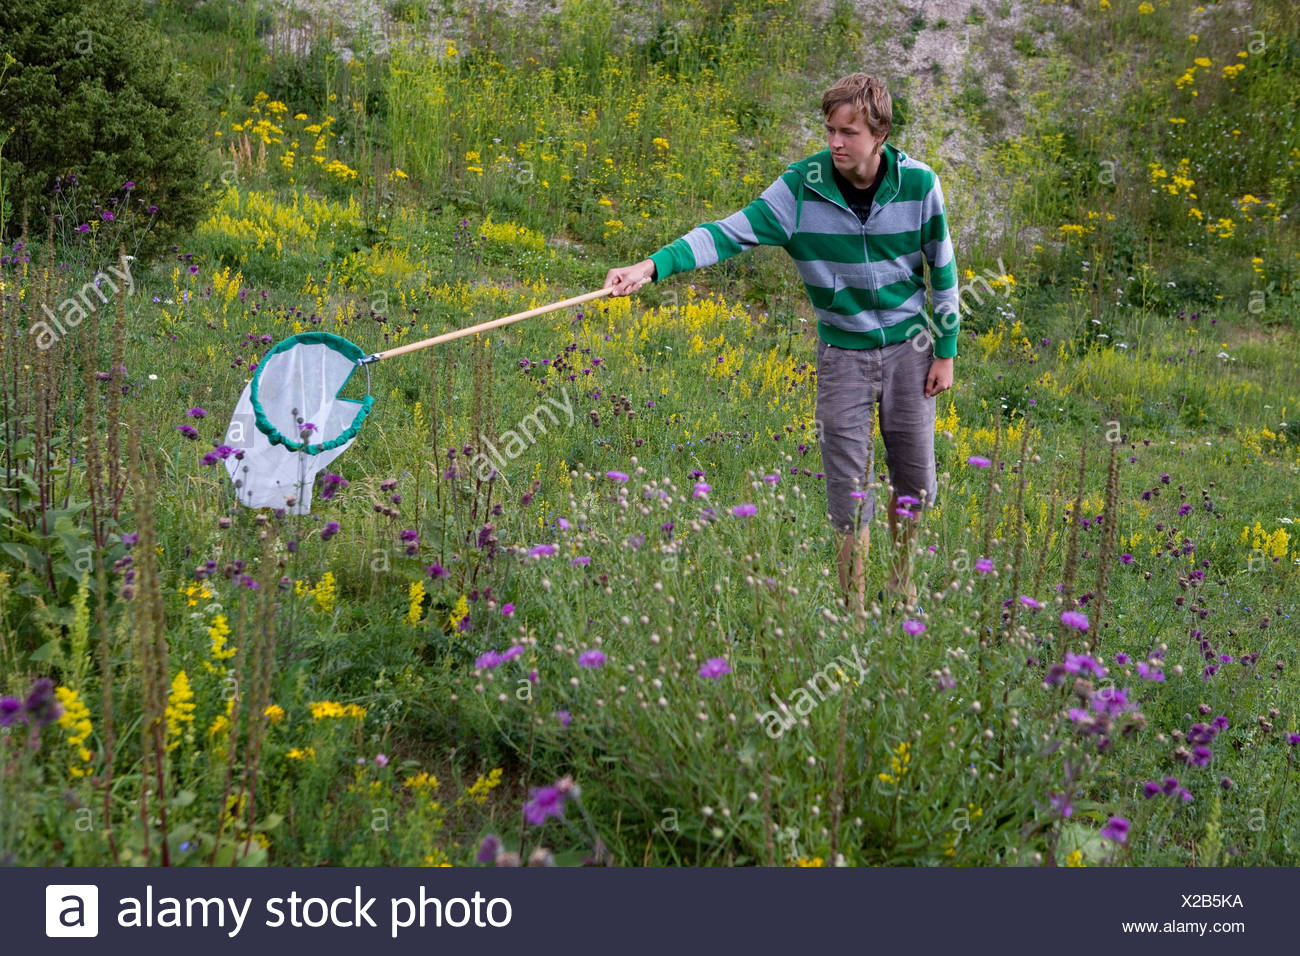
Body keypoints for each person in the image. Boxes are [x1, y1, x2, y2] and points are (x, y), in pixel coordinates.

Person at [604, 72, 959, 614]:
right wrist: (650, 267)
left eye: (849, 132)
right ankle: (855, 613)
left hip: (912, 351)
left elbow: (943, 266)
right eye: (830, 130)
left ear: (880, 133)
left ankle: (902, 585)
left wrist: (946, 350)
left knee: (913, 481)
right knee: (848, 490)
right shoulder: (801, 188)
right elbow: (724, 233)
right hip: (843, 355)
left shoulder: (919, 185)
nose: (836, 142)